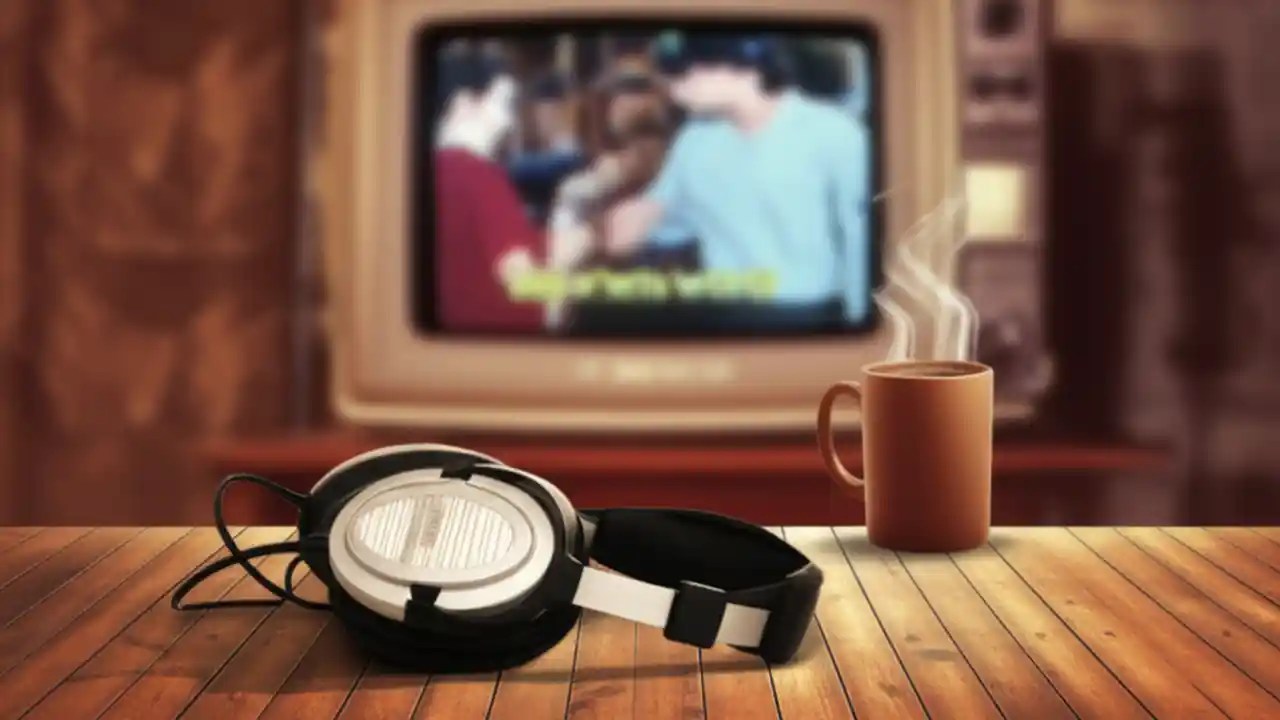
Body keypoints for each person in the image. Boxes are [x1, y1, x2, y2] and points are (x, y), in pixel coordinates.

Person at [607, 34, 874, 327]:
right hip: (724, 312)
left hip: (813, 312)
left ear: (736, 67)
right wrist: (639, 223)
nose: (673, 89)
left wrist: (859, 324)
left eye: (682, 74)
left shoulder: (834, 133)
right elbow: (678, 220)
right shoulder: (695, 141)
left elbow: (860, 237)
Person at [431, 49, 547, 331]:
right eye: (503, 104)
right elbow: (526, 285)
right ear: (464, 104)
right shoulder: (479, 175)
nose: (507, 121)